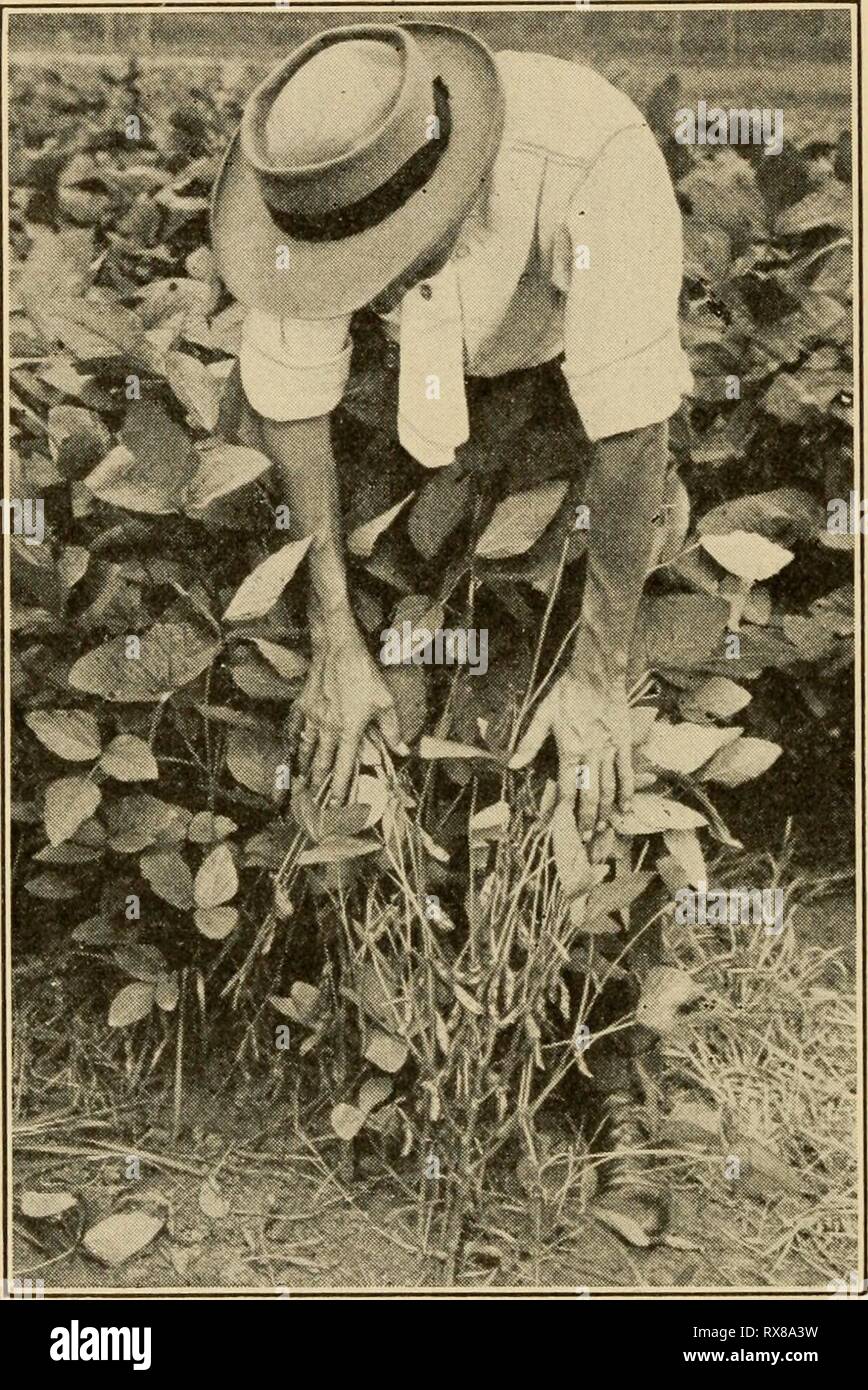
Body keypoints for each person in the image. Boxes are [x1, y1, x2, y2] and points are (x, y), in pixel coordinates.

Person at [211, 20, 693, 1246]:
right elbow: (295, 399)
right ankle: (398, 1038)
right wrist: (333, 630)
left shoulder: (589, 158)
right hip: (387, 402)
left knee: (574, 739)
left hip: (559, 408)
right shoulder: (307, 189)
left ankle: (607, 1070)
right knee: (361, 718)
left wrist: (599, 671)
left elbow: (632, 435)